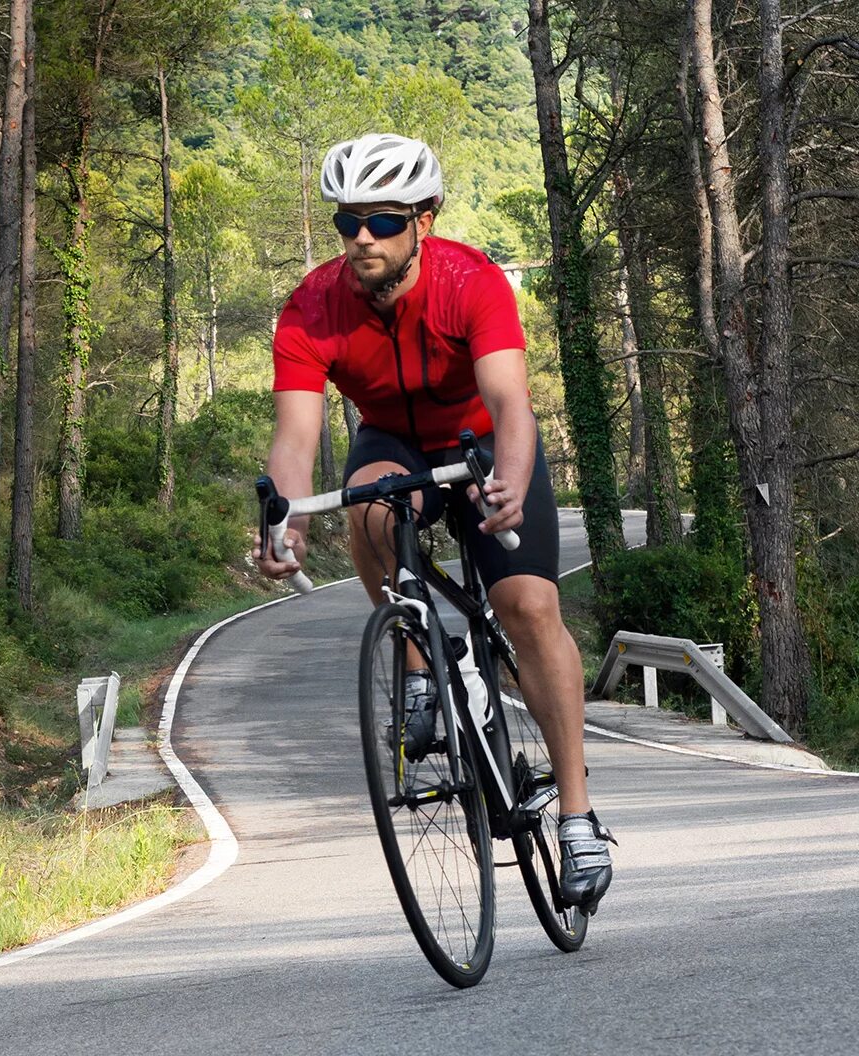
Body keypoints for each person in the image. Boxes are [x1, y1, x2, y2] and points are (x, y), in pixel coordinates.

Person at [252, 133, 614, 912]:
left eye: (382, 222)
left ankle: (579, 819)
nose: (360, 239)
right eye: (348, 220)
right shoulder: (312, 306)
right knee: (371, 505)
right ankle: (419, 662)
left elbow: (514, 403)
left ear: (424, 218)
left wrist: (512, 479)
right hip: (390, 438)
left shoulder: (470, 280)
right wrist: (282, 518)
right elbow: (295, 437)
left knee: (529, 607)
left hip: (482, 441)